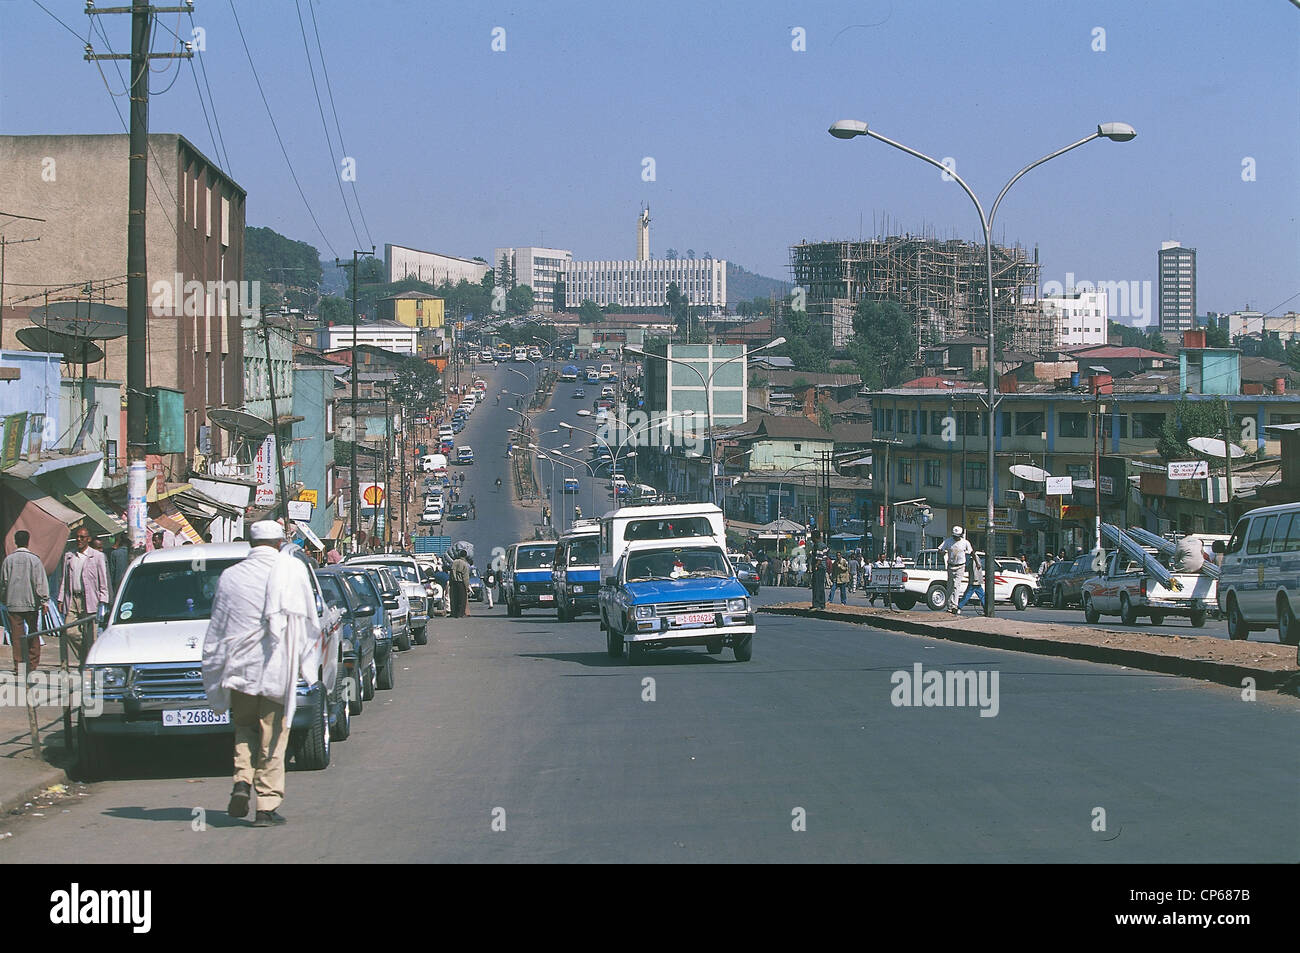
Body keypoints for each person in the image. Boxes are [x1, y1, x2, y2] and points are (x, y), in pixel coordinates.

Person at [202, 520, 323, 828]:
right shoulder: (291, 571)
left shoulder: (230, 577)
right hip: (275, 671)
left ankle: (242, 781)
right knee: (273, 738)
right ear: (280, 542)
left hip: (240, 670)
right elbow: (309, 620)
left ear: (251, 544)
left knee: (244, 729)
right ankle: (265, 806)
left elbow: (218, 628)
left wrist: (214, 668)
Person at [57, 526, 110, 663]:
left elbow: (103, 580)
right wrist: (60, 598)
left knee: (91, 634)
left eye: (82, 537)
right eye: (77, 537)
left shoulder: (97, 556)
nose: (79, 540)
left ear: (88, 539)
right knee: (69, 631)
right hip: (73, 599)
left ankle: (91, 662)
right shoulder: (69, 556)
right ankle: (85, 656)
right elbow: (64, 579)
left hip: (90, 599)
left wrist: (103, 601)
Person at [1, 530, 50, 675]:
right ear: (28, 541)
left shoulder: (8, 560)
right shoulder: (34, 560)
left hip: (13, 603)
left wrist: (4, 598)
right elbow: (39, 582)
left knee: (17, 637)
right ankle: (33, 664)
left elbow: (4, 582)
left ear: (16, 542)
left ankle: (19, 666)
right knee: (34, 632)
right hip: (31, 603)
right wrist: (44, 600)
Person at [939, 527, 973, 614]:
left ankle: (954, 605)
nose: (955, 538)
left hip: (960, 566)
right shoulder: (948, 541)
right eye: (954, 536)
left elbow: (971, 552)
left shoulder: (965, 542)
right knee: (950, 586)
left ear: (961, 535)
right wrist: (942, 552)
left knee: (956, 586)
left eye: (957, 536)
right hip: (951, 566)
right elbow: (940, 549)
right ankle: (949, 605)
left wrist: (977, 562)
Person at [449, 547, 471, 618]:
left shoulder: (454, 562)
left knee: (454, 598)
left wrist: (451, 582)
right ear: (465, 556)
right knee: (462, 599)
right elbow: (465, 577)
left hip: (453, 583)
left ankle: (454, 613)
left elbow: (451, 572)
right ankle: (460, 614)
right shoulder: (465, 564)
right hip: (461, 583)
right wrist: (467, 586)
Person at [810, 533, 827, 609]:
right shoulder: (823, 545)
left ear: (815, 537)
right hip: (822, 568)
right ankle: (821, 604)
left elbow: (819, 558)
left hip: (819, 568)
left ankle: (817, 604)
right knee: (820, 586)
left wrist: (816, 566)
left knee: (817, 586)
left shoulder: (818, 545)